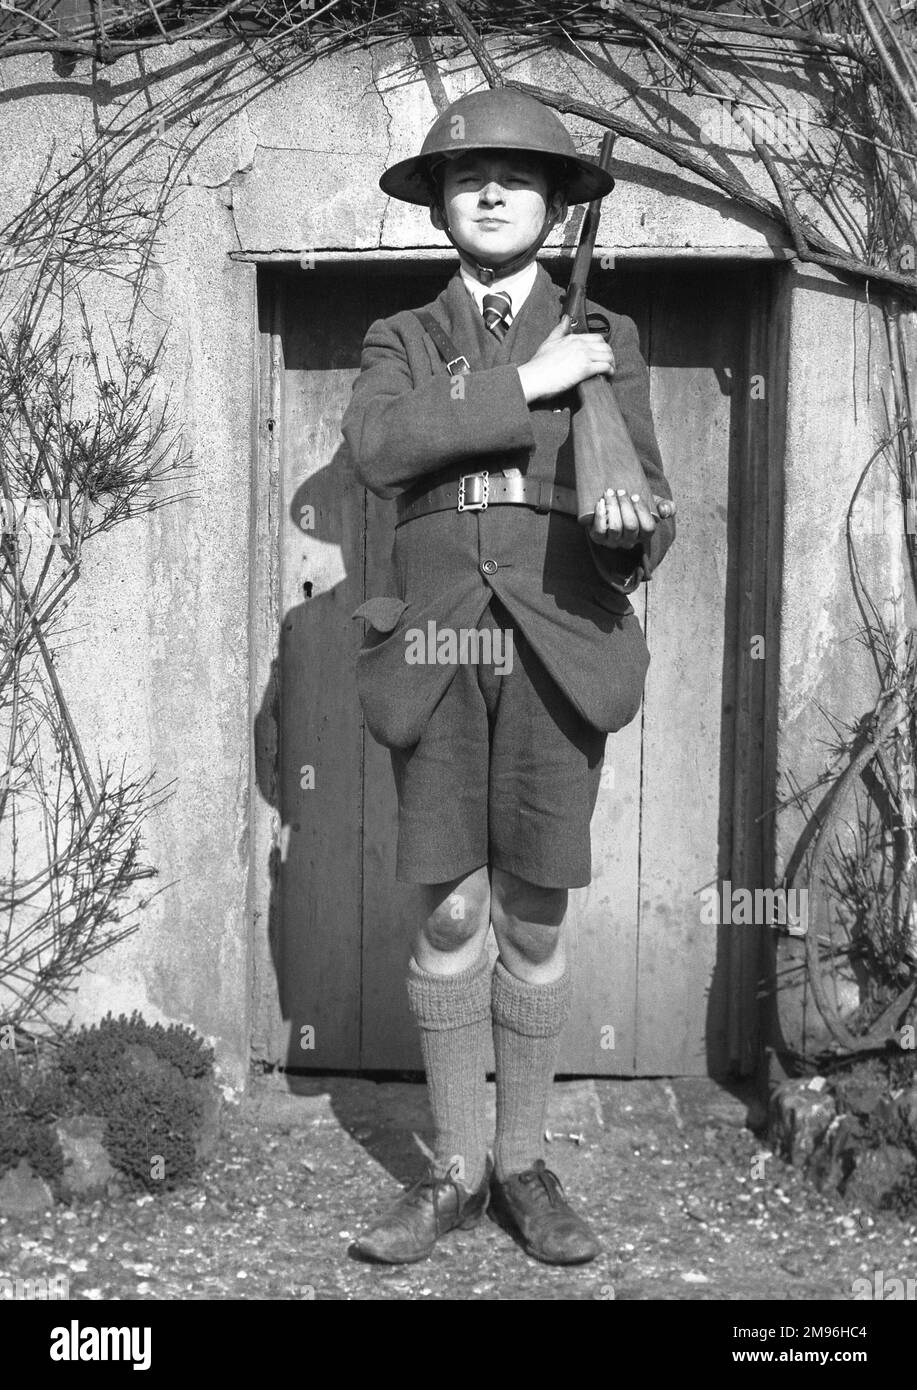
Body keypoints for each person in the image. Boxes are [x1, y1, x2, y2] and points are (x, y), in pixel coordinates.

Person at [341, 87, 676, 1266]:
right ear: (437, 202)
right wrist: (528, 384)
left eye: (517, 176)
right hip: (436, 640)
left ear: (551, 203)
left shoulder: (611, 337)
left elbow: (644, 498)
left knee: (530, 911)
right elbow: (380, 451)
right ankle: (452, 1170)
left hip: (554, 639)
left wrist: (631, 529)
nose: (489, 191)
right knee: (450, 908)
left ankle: (523, 1162)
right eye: (465, 176)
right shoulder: (405, 337)